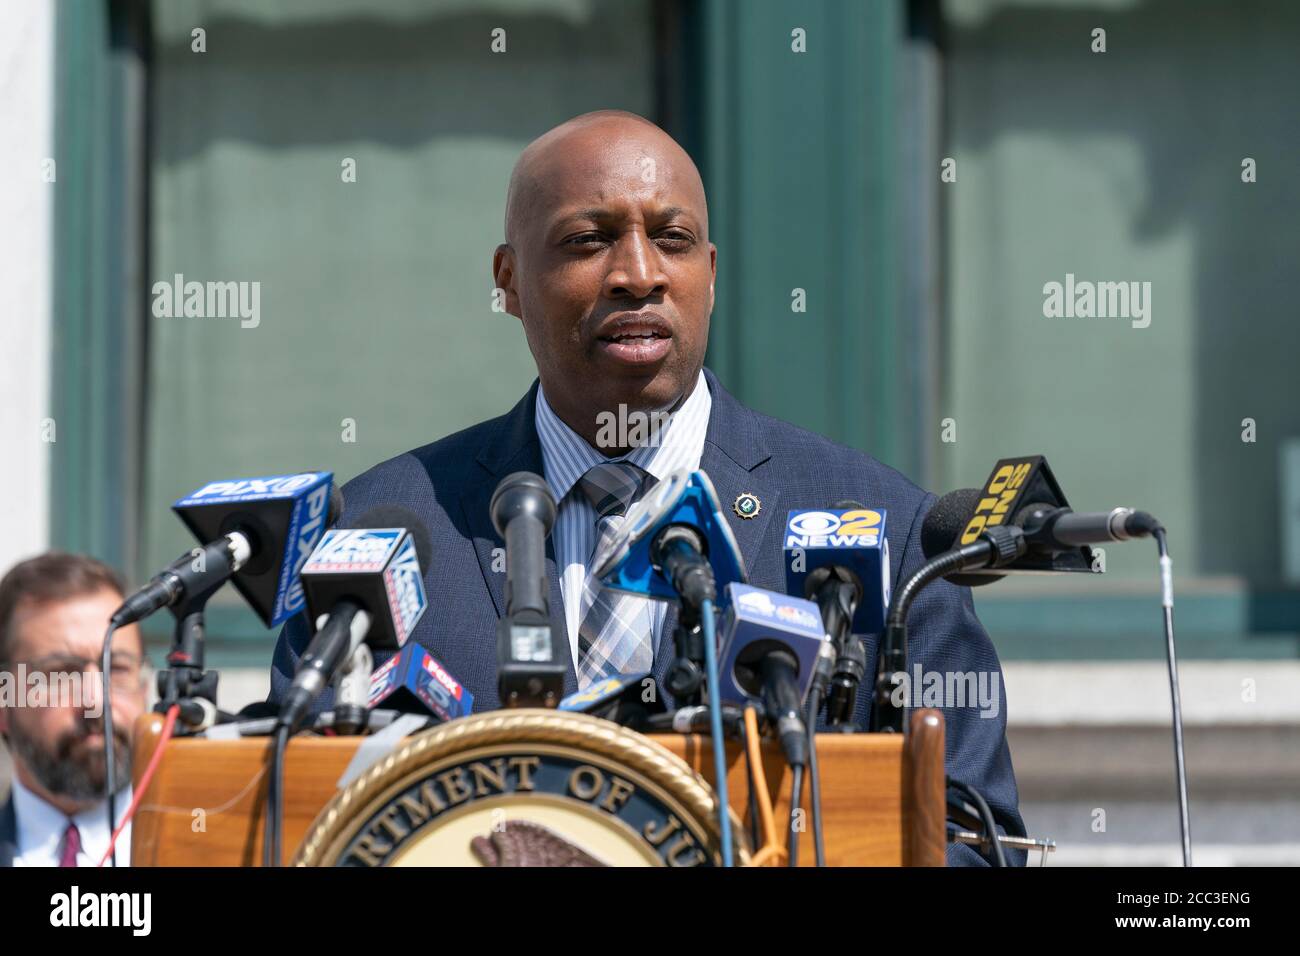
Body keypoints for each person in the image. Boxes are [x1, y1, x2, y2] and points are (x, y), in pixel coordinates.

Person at [268, 110, 1025, 864]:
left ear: (712, 273)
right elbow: (283, 820)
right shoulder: (378, 533)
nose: (639, 273)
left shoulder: (884, 529)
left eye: (673, 239)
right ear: (508, 281)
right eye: (588, 240)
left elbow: (976, 843)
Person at [0, 552, 146, 866]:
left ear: (145, 689)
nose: (94, 702)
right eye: (60, 674)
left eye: (116, 669)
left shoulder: (212, 848)